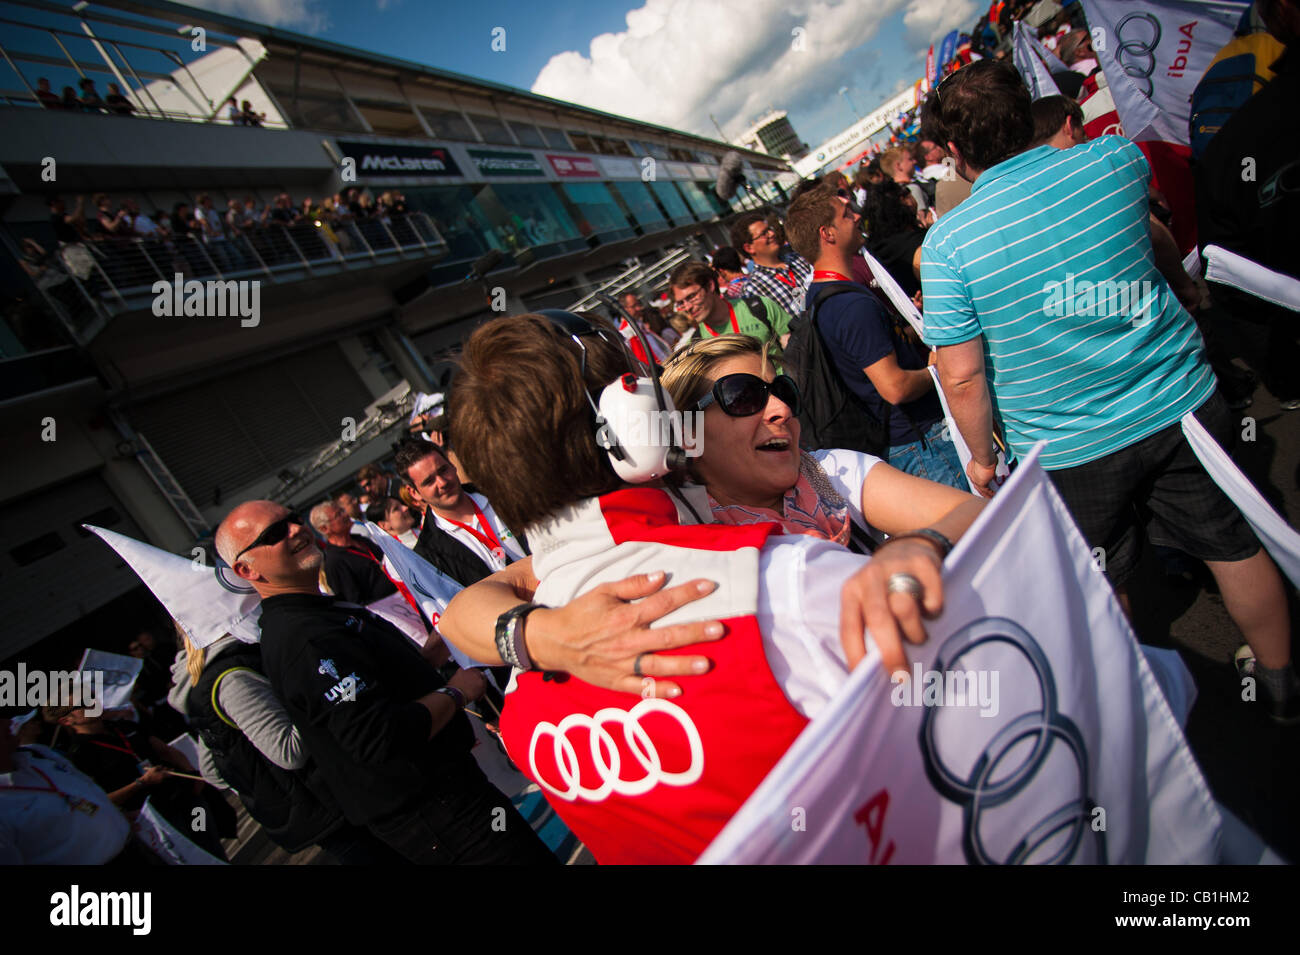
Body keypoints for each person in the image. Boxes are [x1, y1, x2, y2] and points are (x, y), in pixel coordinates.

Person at [428, 312, 985, 862]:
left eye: (781, 390)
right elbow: (983, 730)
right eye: (743, 397)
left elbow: (468, 611)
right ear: (647, 425)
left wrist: (534, 640)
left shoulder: (524, 708)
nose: (781, 409)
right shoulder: (791, 582)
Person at [919, 59, 1299, 723]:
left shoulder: (949, 244)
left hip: (1067, 447)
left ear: (954, 152)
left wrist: (981, 458)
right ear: (1024, 109)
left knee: (1104, 579)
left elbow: (961, 373)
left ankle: (1146, 717)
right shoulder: (1116, 161)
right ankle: (1281, 682)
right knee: (1231, 545)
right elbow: (1150, 241)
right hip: (1179, 401)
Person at [213, 501, 555, 864]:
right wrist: (456, 691)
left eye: (292, 519)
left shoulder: (313, 614)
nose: (295, 530)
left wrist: (426, 659)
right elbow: (379, 737)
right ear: (246, 569)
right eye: (274, 534)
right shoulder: (303, 636)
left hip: (451, 790)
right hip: (434, 809)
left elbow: (373, 694)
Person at [176, 626, 408, 863]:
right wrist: (327, 698)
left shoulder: (201, 683)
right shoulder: (233, 678)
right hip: (328, 805)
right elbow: (288, 752)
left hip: (310, 812)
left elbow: (213, 772)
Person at [787, 184, 966, 488]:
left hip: (912, 442)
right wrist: (937, 368)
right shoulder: (849, 304)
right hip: (924, 443)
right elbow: (894, 387)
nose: (857, 216)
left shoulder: (820, 295)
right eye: (846, 215)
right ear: (827, 233)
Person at [0, 713, 135, 865]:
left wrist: (114, 815)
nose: (8, 721)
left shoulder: (37, 753)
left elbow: (87, 790)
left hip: (136, 847)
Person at [393, 438, 525, 586]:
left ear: (452, 465)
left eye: (443, 470)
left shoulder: (502, 491)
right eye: (429, 481)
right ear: (414, 493)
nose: (442, 483)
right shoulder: (429, 555)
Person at [668, 260, 791, 361]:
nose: (688, 307)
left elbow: (795, 348)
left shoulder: (759, 307)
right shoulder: (697, 344)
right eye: (681, 303)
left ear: (710, 285)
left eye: (691, 297)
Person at [309, 500, 398, 605]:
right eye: (338, 515)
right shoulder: (335, 562)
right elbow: (355, 602)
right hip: (390, 610)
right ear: (325, 528)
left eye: (342, 510)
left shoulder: (361, 540)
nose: (346, 514)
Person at [729, 212, 813, 319]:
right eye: (764, 234)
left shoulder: (799, 258)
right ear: (749, 248)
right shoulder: (753, 289)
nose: (772, 234)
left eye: (770, 229)